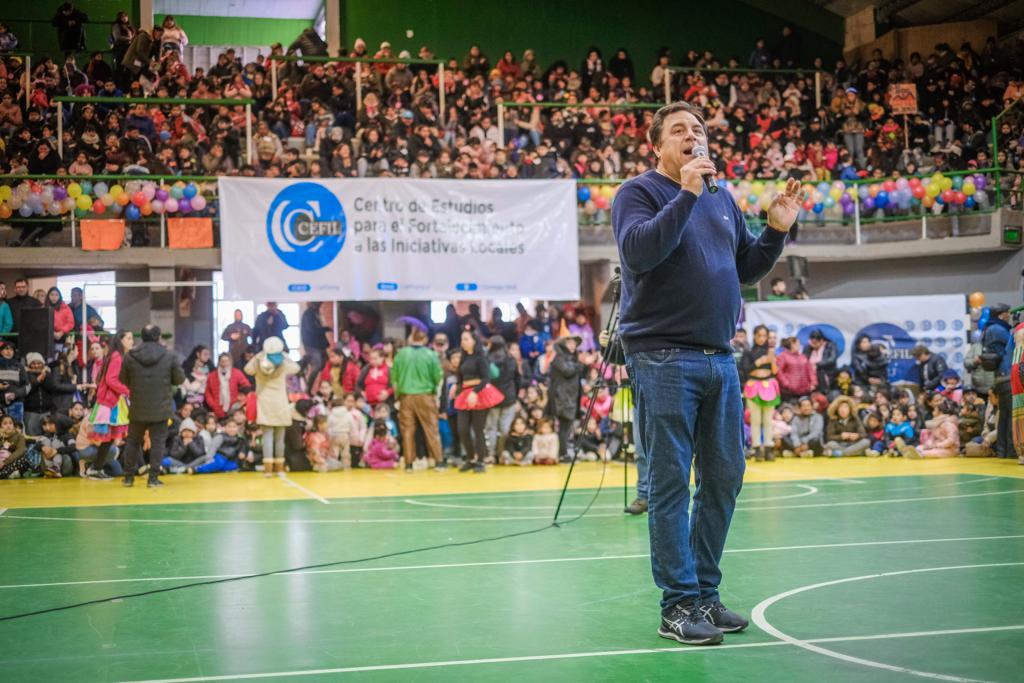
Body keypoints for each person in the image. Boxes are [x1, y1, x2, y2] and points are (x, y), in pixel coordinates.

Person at [612, 101, 799, 645]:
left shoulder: (722, 198)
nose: (692, 136)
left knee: (724, 477)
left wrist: (775, 232)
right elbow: (639, 252)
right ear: (658, 145)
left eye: (698, 129)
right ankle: (676, 605)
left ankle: (705, 595)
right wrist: (687, 192)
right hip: (663, 356)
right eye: (679, 130)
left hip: (720, 357)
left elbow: (743, 270)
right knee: (670, 482)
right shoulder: (639, 192)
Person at [118, 325, 185, 487]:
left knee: (133, 442)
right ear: (158, 336)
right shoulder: (169, 356)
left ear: (141, 336)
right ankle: (153, 479)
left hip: (137, 407)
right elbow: (179, 379)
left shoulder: (130, 356)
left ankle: (128, 478)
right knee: (158, 443)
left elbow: (123, 379)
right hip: (160, 408)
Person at [244, 336, 299, 477]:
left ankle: (268, 469)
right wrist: (285, 357)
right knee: (279, 437)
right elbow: (296, 368)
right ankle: (279, 468)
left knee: (267, 435)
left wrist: (258, 357)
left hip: (264, 400)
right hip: (280, 400)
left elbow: (247, 369)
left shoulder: (259, 359)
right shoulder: (283, 359)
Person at [392, 327, 444, 471]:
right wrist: (434, 393)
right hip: (425, 395)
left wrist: (397, 398)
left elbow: (394, 378)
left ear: (411, 337)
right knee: (431, 429)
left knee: (407, 430)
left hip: (406, 396)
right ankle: (439, 461)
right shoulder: (431, 355)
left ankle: (409, 463)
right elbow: (437, 377)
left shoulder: (401, 354)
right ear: (425, 339)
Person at [453, 329, 503, 472]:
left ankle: (480, 460)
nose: (463, 342)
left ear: (474, 341)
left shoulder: (481, 358)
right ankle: (470, 458)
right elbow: (461, 377)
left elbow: (487, 378)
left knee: (478, 429)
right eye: (462, 339)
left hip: (479, 393)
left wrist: (475, 392)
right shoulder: (464, 357)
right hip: (465, 394)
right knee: (462, 429)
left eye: (466, 339)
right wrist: (456, 387)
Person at [87, 330, 133, 465]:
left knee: (111, 438)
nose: (132, 341)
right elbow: (111, 380)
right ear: (121, 340)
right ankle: (96, 468)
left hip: (113, 401)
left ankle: (96, 468)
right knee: (111, 438)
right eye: (129, 338)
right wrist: (127, 390)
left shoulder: (115, 356)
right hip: (112, 402)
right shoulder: (117, 357)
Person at [742, 326, 781, 461]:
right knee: (755, 420)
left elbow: (775, 372)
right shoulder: (748, 352)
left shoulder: (770, 353)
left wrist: (772, 360)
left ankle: (769, 448)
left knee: (768, 420)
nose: (762, 338)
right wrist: (760, 362)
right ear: (754, 336)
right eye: (759, 335)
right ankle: (757, 448)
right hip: (753, 386)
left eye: (764, 336)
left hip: (768, 386)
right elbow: (746, 369)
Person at [982, 304, 1015, 459]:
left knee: (1004, 415)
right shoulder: (997, 329)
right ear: (1001, 315)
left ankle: (1003, 451)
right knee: (1010, 415)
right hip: (1007, 375)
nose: (1009, 316)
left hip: (1000, 377)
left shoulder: (989, 328)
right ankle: (1010, 450)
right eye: (1007, 313)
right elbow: (1014, 342)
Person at [547, 335, 584, 461]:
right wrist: (580, 364)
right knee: (564, 427)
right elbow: (567, 371)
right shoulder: (559, 358)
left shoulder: (572, 359)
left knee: (566, 427)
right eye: (570, 343)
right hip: (562, 398)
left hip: (570, 398)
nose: (573, 346)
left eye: (574, 343)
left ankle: (563, 453)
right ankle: (563, 454)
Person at [485, 335, 519, 463]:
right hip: (509, 397)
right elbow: (517, 379)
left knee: (491, 428)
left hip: (492, 398)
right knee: (505, 428)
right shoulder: (511, 359)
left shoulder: (487, 360)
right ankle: (502, 453)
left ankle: (491, 454)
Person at [205, 352, 251, 419]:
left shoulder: (236, 373)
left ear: (230, 362)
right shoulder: (212, 376)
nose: (224, 364)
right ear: (219, 362)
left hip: (233, 409)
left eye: (227, 361)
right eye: (222, 361)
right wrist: (212, 404)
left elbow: (247, 386)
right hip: (217, 409)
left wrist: (240, 402)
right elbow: (207, 392)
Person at [301, 302, 331, 392]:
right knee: (316, 367)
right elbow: (312, 329)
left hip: (319, 345)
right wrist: (325, 329)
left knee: (326, 365)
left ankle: (322, 388)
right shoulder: (308, 314)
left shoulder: (316, 313)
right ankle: (308, 390)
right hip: (312, 345)